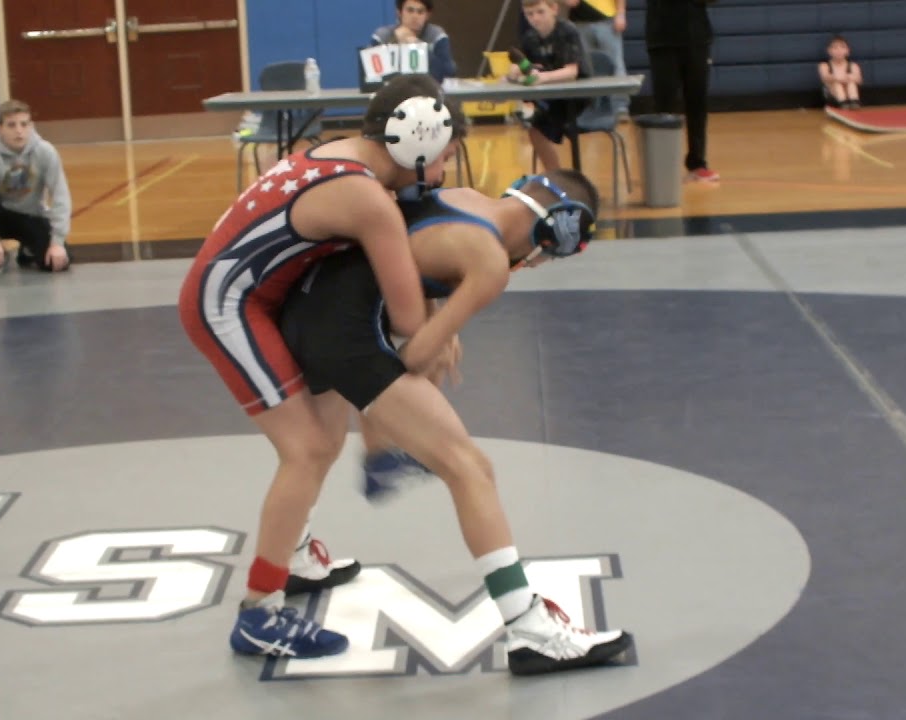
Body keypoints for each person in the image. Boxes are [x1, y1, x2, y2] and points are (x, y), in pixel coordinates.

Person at [277, 170, 635, 675]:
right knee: (470, 468)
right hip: (347, 333)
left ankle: (293, 553)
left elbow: (405, 255)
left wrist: (434, 322)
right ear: (555, 232)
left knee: (318, 448)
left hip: (304, 309)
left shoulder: (461, 196)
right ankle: (530, 629)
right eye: (552, 255)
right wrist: (438, 339)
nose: (539, 263)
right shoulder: (490, 262)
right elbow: (415, 355)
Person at [177, 74, 461, 659]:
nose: (443, 175)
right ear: (418, 143)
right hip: (227, 303)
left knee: (325, 439)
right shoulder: (368, 200)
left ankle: (294, 553)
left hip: (263, 294)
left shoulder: (344, 155)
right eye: (444, 158)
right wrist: (455, 305)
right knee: (305, 449)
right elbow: (409, 319)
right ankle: (259, 612)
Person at [0, 99, 72, 274]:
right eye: (11, 125)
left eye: (24, 124)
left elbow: (61, 196)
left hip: (31, 216)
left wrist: (57, 243)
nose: (19, 131)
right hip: (1, 215)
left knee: (57, 262)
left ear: (31, 126)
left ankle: (27, 250)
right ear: (0, 129)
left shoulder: (45, 152)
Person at [511, 0, 593, 173]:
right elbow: (527, 66)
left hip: (577, 100)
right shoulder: (530, 38)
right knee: (535, 130)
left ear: (554, 9)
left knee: (540, 126)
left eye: (540, 12)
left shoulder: (567, 31)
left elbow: (571, 71)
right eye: (530, 14)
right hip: (552, 100)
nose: (535, 18)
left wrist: (543, 77)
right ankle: (555, 175)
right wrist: (515, 71)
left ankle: (557, 176)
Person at [645, 0, 719, 182]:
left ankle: (697, 164)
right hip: (662, 40)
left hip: (697, 38)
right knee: (665, 106)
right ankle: (663, 166)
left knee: (697, 103)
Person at [564, 0, 629, 116]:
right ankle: (593, 108)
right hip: (579, 23)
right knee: (587, 68)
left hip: (607, 20)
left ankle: (620, 107)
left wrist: (621, 13)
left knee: (616, 65)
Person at [371, 0, 457, 83]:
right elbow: (373, 75)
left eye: (420, 12)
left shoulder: (437, 36)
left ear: (427, 15)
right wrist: (394, 42)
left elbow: (448, 73)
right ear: (399, 13)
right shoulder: (382, 36)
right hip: (392, 90)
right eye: (410, 11)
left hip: (426, 89)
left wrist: (419, 46)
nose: (415, 16)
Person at [820, 35, 863, 110]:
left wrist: (851, 78)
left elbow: (859, 80)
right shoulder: (824, 65)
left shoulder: (853, 65)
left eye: (842, 47)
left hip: (849, 96)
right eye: (835, 48)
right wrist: (837, 78)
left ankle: (854, 102)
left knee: (851, 83)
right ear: (829, 51)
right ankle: (842, 103)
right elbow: (825, 78)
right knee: (837, 84)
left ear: (847, 50)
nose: (839, 50)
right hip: (833, 97)